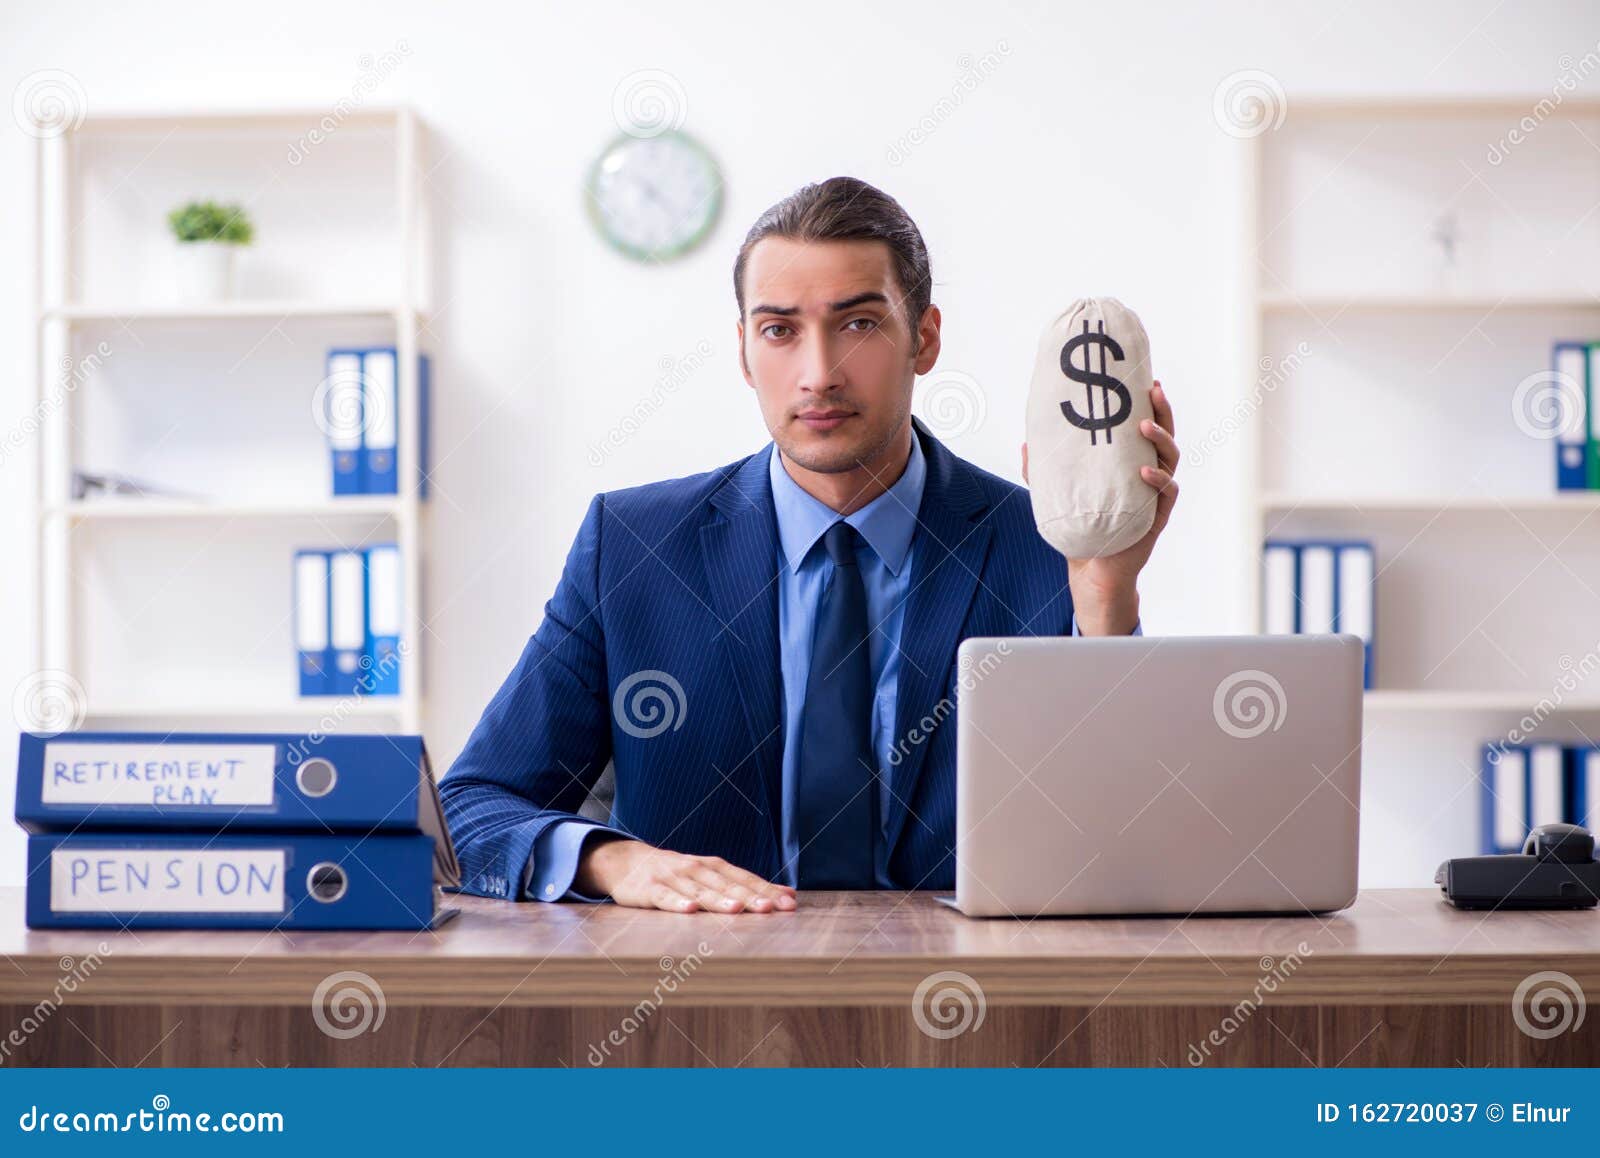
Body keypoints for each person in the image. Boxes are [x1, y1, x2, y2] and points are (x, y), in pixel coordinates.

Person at [439, 176, 1179, 914]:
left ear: (924, 339)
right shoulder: (632, 549)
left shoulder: (1047, 546)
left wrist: (1108, 595)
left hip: (969, 992)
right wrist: (613, 860)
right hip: (699, 996)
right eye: (780, 330)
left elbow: (1133, 842)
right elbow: (472, 809)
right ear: (743, 352)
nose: (818, 374)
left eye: (858, 324)